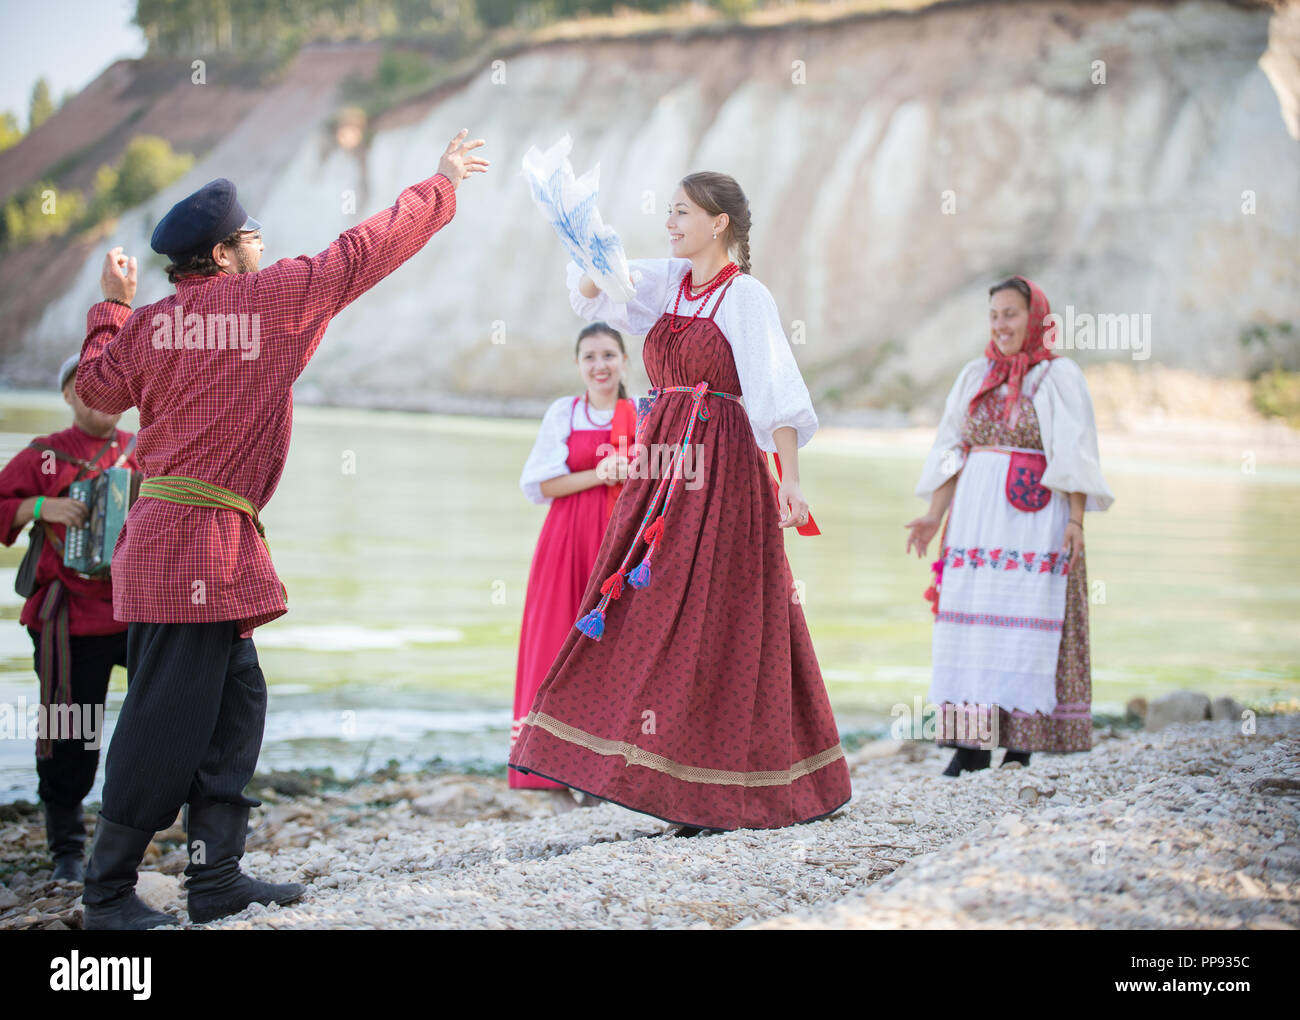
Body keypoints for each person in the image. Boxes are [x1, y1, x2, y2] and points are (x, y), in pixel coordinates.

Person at [73, 128, 488, 929]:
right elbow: (362, 251)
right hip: (193, 549)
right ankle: (106, 895)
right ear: (226, 255)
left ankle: (216, 879)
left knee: (235, 712)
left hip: (185, 545)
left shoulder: (152, 324)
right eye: (254, 235)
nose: (265, 245)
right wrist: (440, 184)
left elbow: (93, 393)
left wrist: (111, 309)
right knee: (163, 724)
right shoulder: (273, 297)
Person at [509, 172, 852, 832]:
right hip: (661, 462)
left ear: (718, 222)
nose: (669, 222)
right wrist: (593, 257)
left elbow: (776, 391)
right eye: (668, 212)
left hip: (721, 462)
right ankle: (653, 772)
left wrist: (794, 479)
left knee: (720, 617)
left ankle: (728, 786)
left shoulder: (746, 297)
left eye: (682, 212)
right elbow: (591, 299)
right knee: (641, 603)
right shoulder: (668, 282)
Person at [905, 276, 1114, 776]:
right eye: (994, 315)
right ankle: (973, 745)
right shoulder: (976, 373)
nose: (1001, 325)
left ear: (1035, 316)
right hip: (975, 520)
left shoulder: (1058, 376)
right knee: (974, 624)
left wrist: (1078, 521)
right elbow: (950, 446)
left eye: (1011, 314)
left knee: (1024, 623)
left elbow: (1074, 452)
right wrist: (935, 514)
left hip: (1035, 519)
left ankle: (1020, 745)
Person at [0, 356, 141, 882]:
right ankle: (67, 850)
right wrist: (39, 506)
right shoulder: (44, 455)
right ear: (67, 396)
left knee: (172, 707)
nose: (98, 399)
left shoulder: (141, 450)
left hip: (137, 612)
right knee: (71, 729)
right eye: (85, 389)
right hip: (68, 621)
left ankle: (175, 829)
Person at [514, 323, 638, 797]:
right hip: (566, 540)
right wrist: (598, 473)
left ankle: (606, 769)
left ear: (624, 361)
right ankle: (548, 767)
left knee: (615, 650)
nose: (600, 365)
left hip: (621, 544)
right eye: (589, 357)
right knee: (557, 641)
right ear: (578, 365)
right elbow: (540, 486)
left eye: (608, 355)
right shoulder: (564, 413)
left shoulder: (641, 414)